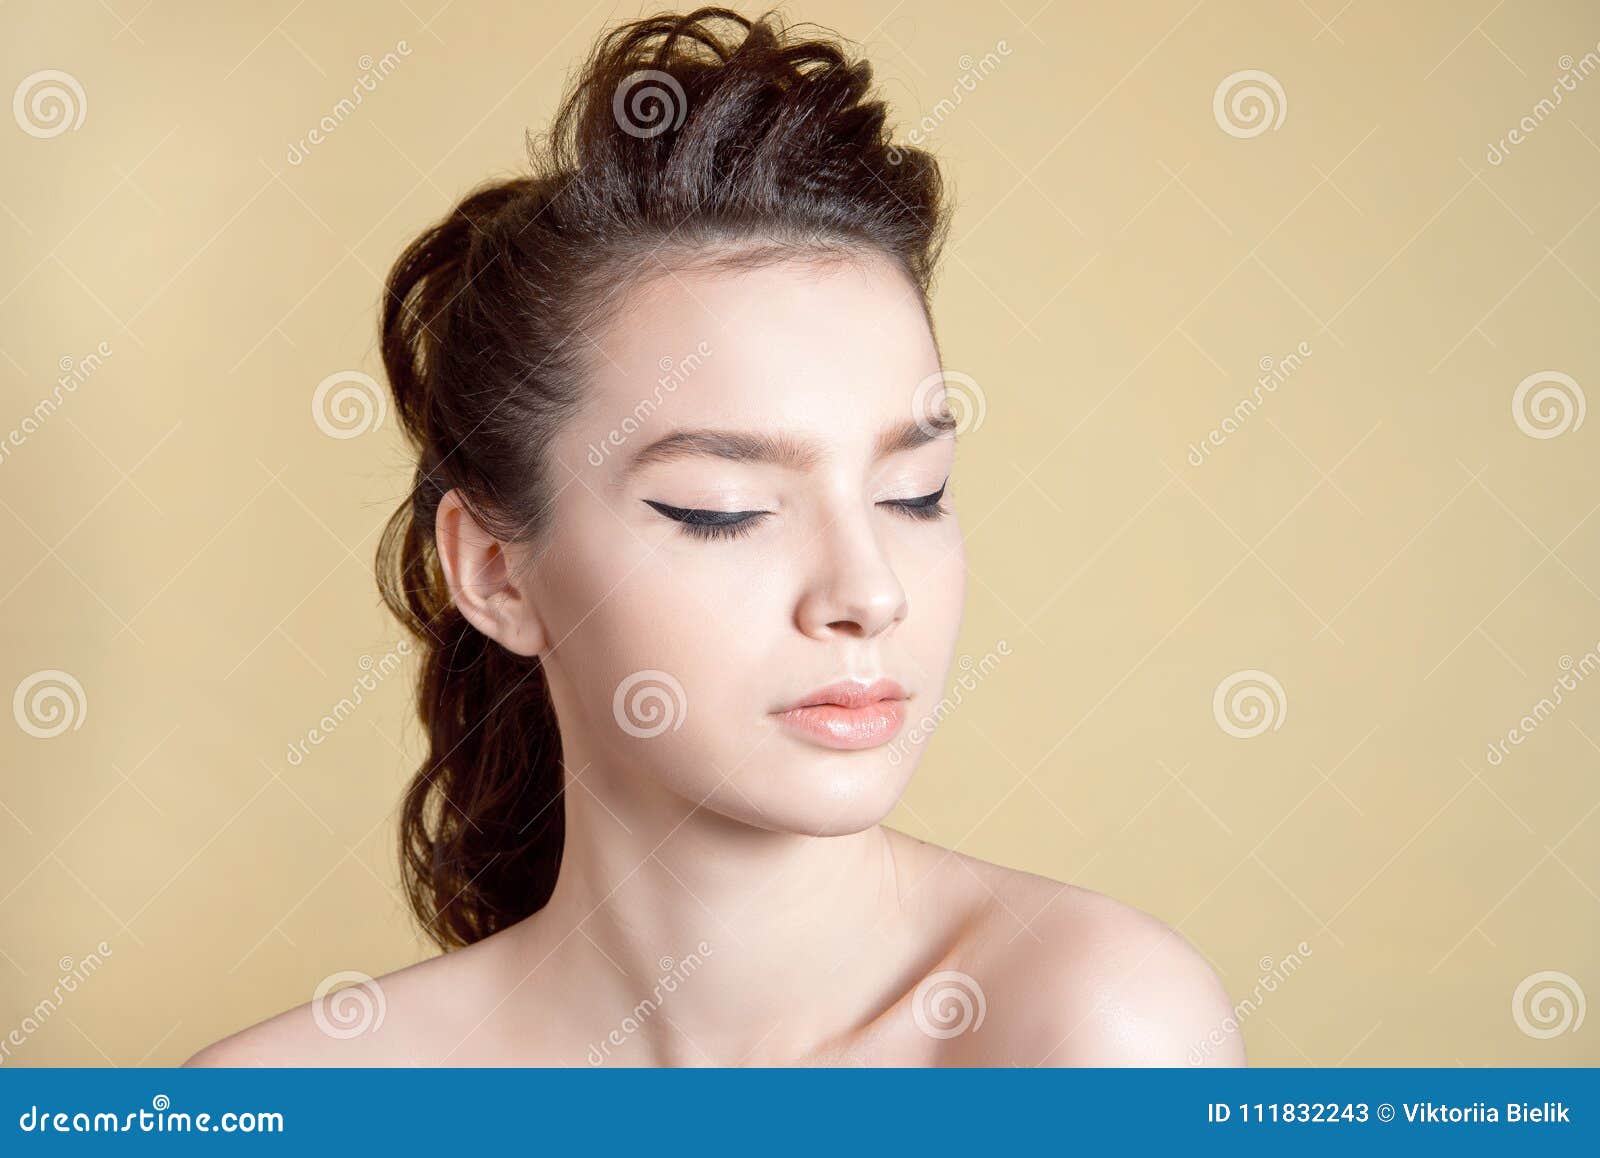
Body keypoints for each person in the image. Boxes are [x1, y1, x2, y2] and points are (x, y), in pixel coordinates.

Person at [185, 5, 1244, 1068]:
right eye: (721, 510)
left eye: (913, 492)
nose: (866, 593)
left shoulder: (1091, 1027)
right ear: (496, 572)